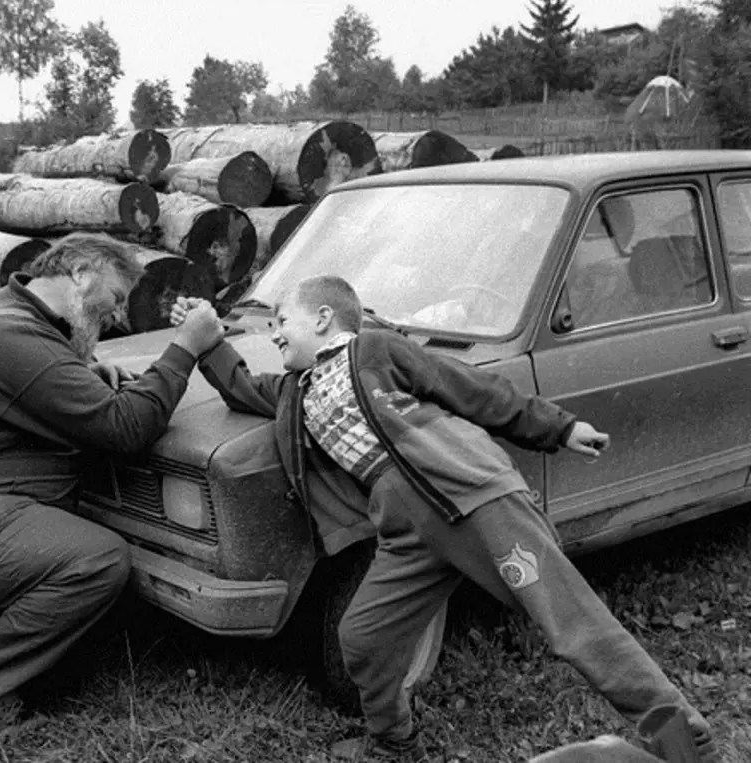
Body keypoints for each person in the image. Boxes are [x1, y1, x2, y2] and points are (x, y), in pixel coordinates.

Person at [171, 276, 715, 762]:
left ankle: (685, 741)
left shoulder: (375, 351)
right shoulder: (295, 392)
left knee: (573, 626)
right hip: (407, 534)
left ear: (322, 318)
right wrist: (207, 342)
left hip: (476, 500)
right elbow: (241, 386)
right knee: (361, 636)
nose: (274, 335)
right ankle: (394, 739)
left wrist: (557, 428)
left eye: (281, 321)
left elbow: (468, 388)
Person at [0, 233, 225, 725]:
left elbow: (49, 377)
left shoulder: (11, 312)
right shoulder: (14, 339)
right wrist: (186, 346)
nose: (116, 315)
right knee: (97, 561)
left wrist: (83, 370)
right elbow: (125, 428)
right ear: (80, 273)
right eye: (115, 298)